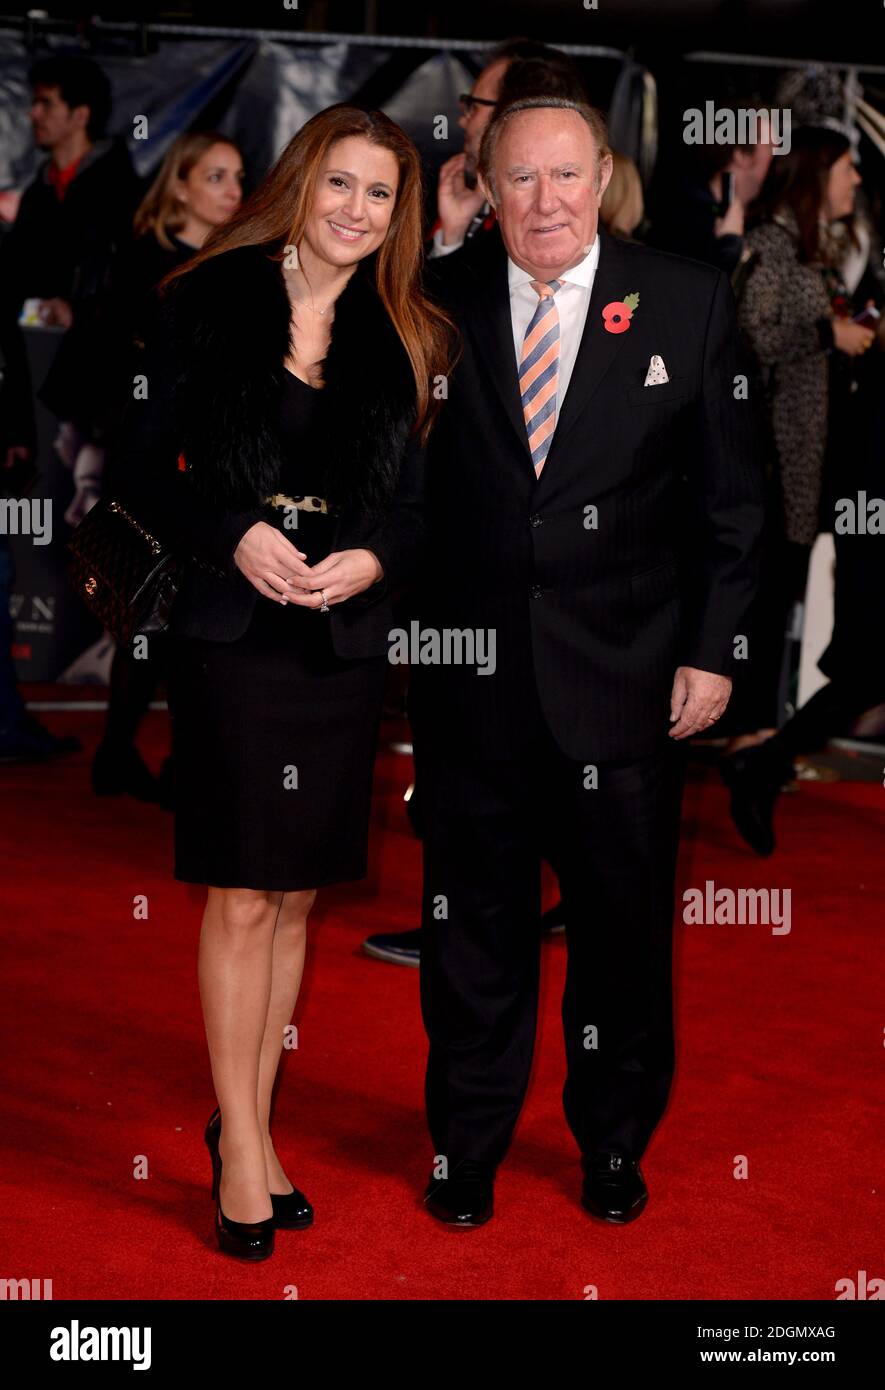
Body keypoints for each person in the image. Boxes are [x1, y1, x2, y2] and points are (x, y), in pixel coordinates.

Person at [409, 96, 763, 1227]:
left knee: (620, 939)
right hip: (473, 688)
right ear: (486, 185)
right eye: (520, 178)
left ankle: (612, 1141)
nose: (546, 201)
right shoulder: (433, 300)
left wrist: (714, 653)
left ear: (604, 177)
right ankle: (466, 1146)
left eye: (566, 175)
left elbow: (735, 505)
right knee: (472, 936)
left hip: (626, 686)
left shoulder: (688, 299)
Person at [116, 104, 454, 1260]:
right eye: (341, 183)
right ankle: (244, 1151)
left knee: (298, 897)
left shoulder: (408, 333)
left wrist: (374, 560)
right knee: (242, 894)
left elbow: (420, 511)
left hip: (336, 645)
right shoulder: (209, 300)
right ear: (303, 182)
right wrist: (234, 533)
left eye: (381, 194)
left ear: (399, 214)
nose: (357, 210)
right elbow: (139, 470)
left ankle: (246, 1123)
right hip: (232, 637)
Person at [362, 40, 587, 969]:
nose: (462, 119)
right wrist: (448, 237)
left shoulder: (593, 260)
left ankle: (534, 909)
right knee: (461, 788)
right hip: (458, 593)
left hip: (571, 612)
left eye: (479, 105)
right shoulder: (459, 256)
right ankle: (471, 931)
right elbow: (409, 380)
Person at [90, 131, 245, 806]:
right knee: (149, 616)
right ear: (179, 186)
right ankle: (119, 753)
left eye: (237, 177)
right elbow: (119, 367)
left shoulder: (241, 264)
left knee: (189, 623)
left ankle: (180, 762)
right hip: (155, 467)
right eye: (216, 176)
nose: (233, 190)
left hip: (211, 470)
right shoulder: (146, 265)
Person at [721, 128, 873, 763]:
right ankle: (747, 730)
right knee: (763, 599)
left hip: (803, 461)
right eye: (846, 168)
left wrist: (848, 328)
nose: (856, 180)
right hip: (773, 461)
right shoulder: (773, 243)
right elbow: (749, 332)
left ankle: (756, 728)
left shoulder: (807, 246)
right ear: (817, 174)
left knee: (779, 596)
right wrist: (826, 333)